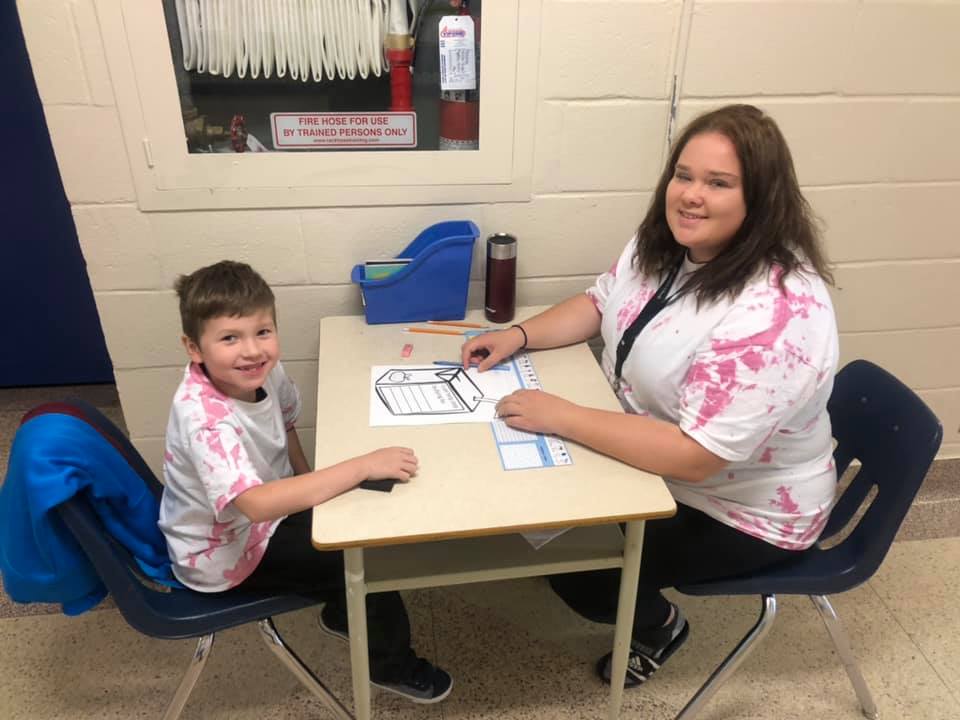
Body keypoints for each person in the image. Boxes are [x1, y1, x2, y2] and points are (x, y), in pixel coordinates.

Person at [461, 104, 839, 688]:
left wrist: (563, 416)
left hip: (739, 509)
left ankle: (660, 626)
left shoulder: (776, 313)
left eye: (719, 183)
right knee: (537, 508)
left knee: (573, 564)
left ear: (761, 199)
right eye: (683, 175)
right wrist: (519, 335)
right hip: (656, 457)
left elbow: (696, 455)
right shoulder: (666, 242)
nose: (691, 195)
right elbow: (599, 302)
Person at [158, 260, 452, 703]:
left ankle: (341, 610)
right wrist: (361, 467)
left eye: (262, 332)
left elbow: (286, 424)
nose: (251, 350)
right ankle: (391, 665)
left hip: (265, 516)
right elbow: (256, 504)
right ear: (194, 348)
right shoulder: (204, 419)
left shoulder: (260, 370)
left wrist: (310, 483)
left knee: (350, 513)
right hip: (226, 552)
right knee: (366, 555)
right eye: (229, 338)